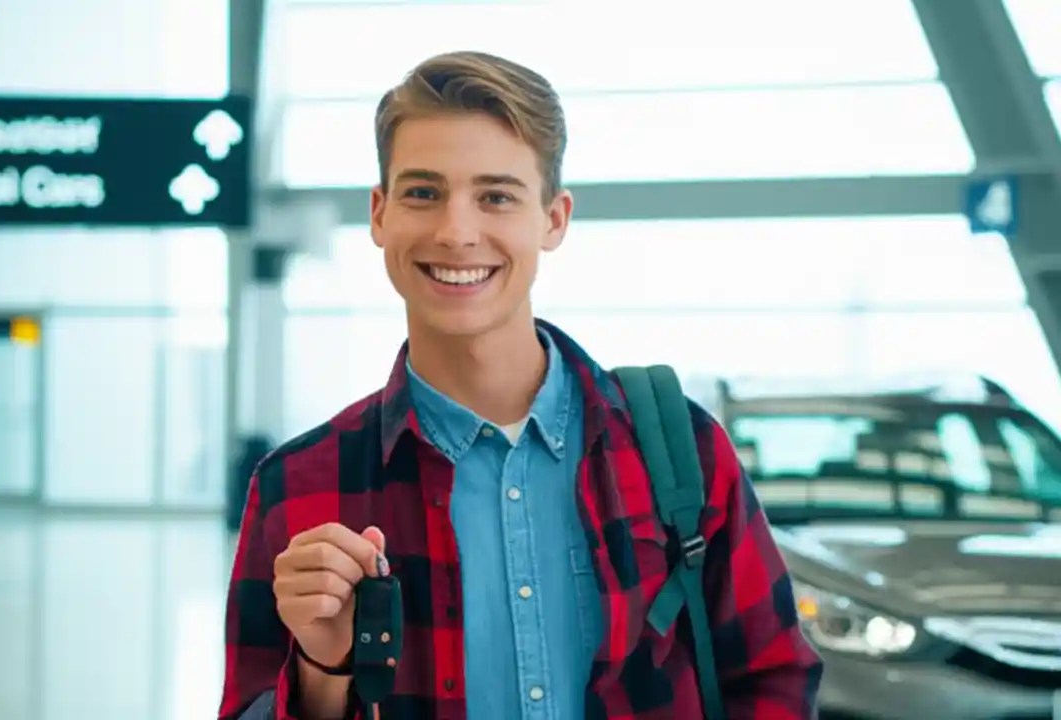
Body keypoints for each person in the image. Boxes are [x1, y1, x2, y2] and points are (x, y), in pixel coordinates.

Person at [218, 50, 823, 720]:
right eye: (423, 193)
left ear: (554, 219)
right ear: (379, 214)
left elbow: (774, 682)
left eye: (496, 197)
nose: (456, 232)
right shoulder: (299, 486)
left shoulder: (680, 453)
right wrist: (321, 668)